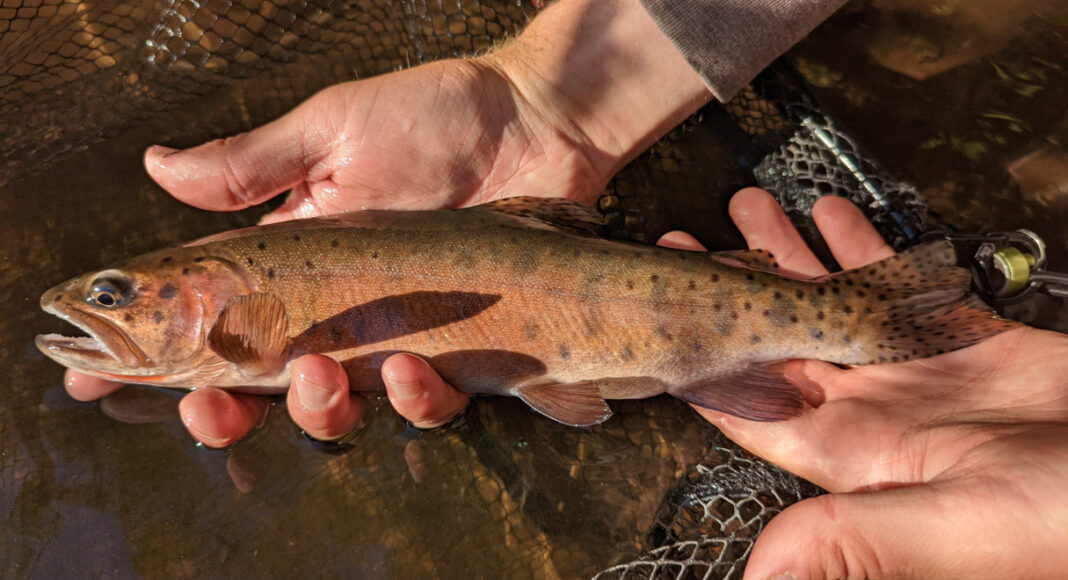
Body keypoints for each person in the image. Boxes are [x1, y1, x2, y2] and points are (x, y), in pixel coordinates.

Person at [61, 0, 1068, 578]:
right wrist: (540, 102)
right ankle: (866, 318)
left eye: (114, 295)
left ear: (206, 293)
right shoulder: (250, 304)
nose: (97, 310)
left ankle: (865, 321)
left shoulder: (243, 328)